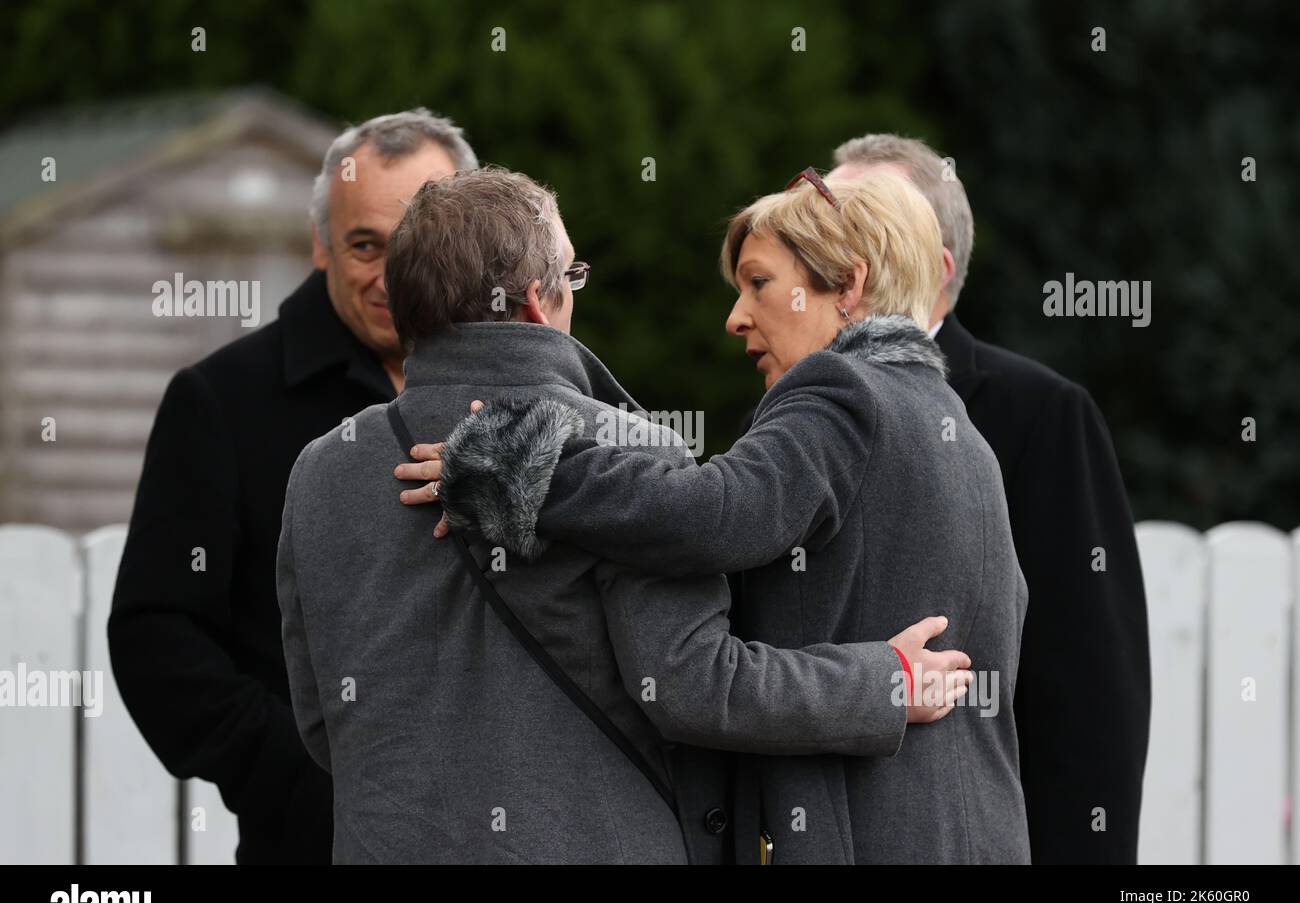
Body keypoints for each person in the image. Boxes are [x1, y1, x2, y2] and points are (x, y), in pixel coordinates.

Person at [278, 166, 973, 865]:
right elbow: (694, 690)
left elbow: (319, 721)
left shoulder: (320, 469)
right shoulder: (628, 449)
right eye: (572, 278)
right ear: (534, 303)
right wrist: (876, 683)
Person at [108, 109, 478, 864]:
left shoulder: (521, 389)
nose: (391, 276)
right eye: (365, 246)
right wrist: (300, 777)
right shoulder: (222, 401)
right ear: (320, 244)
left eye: (415, 245)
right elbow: (156, 639)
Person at [828, 134, 1151, 864]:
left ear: (936, 269)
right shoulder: (794, 406)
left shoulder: (1037, 414)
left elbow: (1088, 692)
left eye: (853, 232)